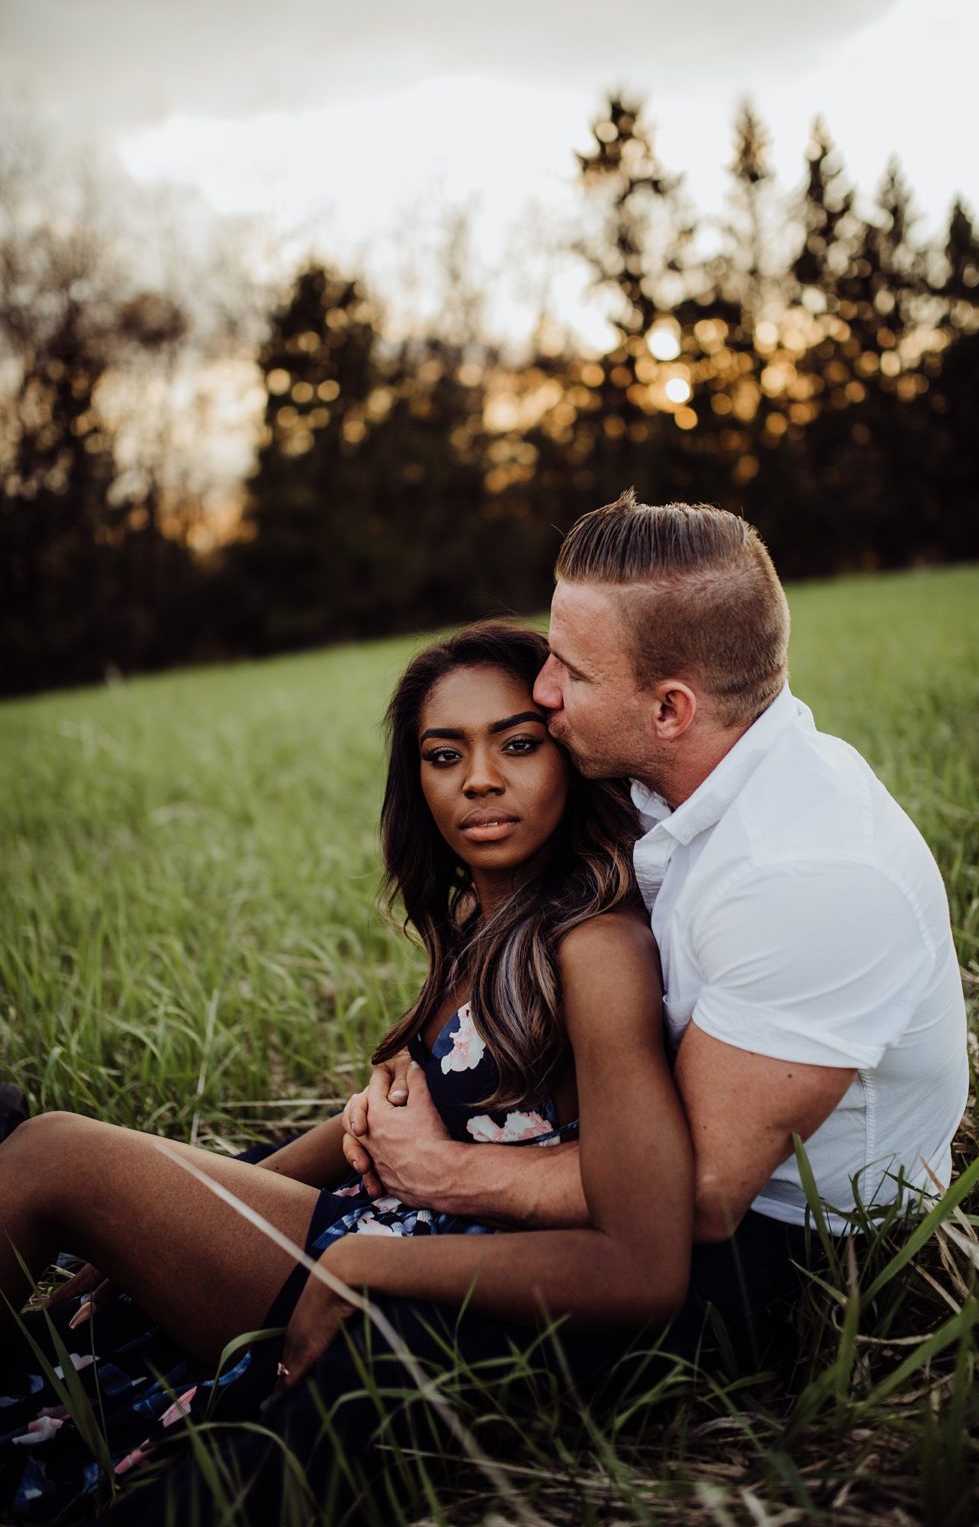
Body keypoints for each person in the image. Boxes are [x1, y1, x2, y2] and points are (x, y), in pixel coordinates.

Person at [0, 622, 691, 1525]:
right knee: (68, 1191)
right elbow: (372, 1120)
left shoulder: (593, 948)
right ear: (418, 783)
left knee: (52, 1152)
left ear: (570, 759)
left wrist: (370, 1261)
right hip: (366, 1227)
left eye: (518, 744)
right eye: (445, 755)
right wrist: (190, 1206)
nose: (480, 778)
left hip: (416, 1279)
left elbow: (643, 1268)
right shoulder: (481, 927)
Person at [340, 493, 969, 1360]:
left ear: (670, 709)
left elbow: (700, 1197)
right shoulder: (676, 776)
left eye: (570, 671)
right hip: (631, 1162)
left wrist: (445, 1174)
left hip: (785, 1250)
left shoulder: (809, 876)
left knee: (349, 1337)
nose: (542, 691)